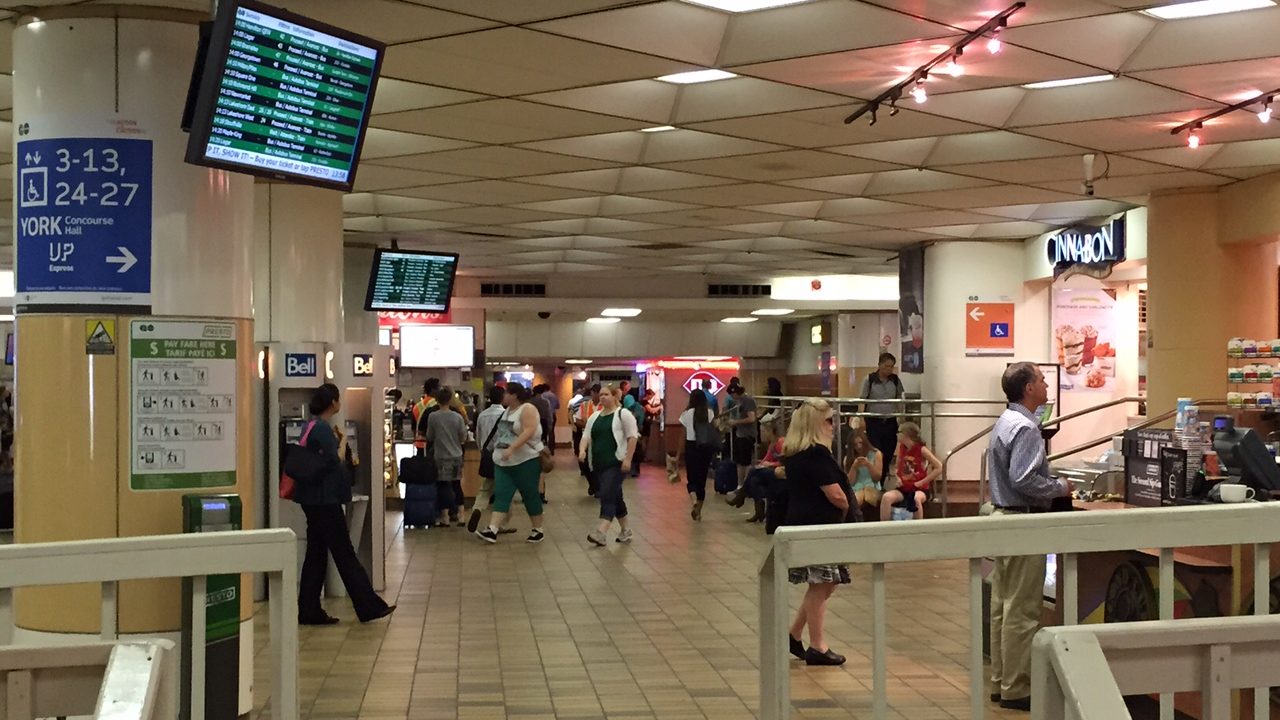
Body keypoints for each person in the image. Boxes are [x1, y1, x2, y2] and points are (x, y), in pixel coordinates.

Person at [987, 363, 1070, 712]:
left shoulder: (1005, 421)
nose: (1046, 383)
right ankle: (1017, 687)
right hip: (1022, 520)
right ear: (1028, 389)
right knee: (1023, 610)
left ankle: (1001, 679)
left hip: (1001, 516)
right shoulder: (1026, 428)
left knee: (1003, 606)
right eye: (1041, 379)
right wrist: (1059, 487)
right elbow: (1023, 478)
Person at [294, 384, 394, 625]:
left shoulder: (309, 425)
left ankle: (309, 609)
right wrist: (341, 442)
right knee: (344, 553)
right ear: (333, 403)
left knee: (316, 553)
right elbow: (335, 459)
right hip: (325, 500)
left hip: (311, 499)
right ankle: (368, 605)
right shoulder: (323, 429)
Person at [782, 398, 856, 666]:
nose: (834, 425)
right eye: (828, 420)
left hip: (804, 523)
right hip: (819, 526)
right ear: (815, 423)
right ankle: (818, 646)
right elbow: (835, 493)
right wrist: (847, 505)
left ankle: (794, 633)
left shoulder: (795, 454)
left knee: (826, 581)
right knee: (822, 583)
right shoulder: (816, 454)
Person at [476, 383, 546, 544]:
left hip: (526, 461)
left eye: (506, 393)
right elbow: (504, 434)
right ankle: (492, 529)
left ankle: (538, 529)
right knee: (501, 494)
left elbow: (529, 431)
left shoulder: (527, 408)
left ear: (514, 395)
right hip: (504, 462)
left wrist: (512, 448)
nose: (504, 396)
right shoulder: (506, 411)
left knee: (529, 495)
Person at [579, 385, 640, 546]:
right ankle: (626, 530)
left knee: (606, 494)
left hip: (616, 463)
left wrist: (628, 459)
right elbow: (586, 435)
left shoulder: (623, 414)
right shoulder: (595, 416)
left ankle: (602, 531)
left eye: (606, 394)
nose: (603, 397)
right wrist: (582, 450)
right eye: (601, 395)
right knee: (615, 495)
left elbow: (632, 437)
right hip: (599, 463)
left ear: (615, 396)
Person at [468, 385, 514, 534]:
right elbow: (506, 439)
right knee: (505, 490)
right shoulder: (506, 415)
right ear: (502, 398)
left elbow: (479, 436)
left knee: (485, 489)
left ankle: (477, 509)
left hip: (487, 456)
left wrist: (483, 451)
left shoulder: (482, 415)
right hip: (502, 457)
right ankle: (500, 524)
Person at [879, 422, 940, 521]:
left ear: (906, 434)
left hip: (919, 488)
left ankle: (917, 530)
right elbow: (897, 466)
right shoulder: (902, 448)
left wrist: (922, 482)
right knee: (886, 497)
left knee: (915, 499)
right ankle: (885, 529)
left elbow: (939, 467)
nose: (896, 434)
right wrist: (897, 477)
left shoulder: (922, 449)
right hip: (904, 487)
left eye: (899, 432)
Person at [425, 387, 468, 527]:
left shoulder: (433, 417)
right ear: (450, 399)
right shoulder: (458, 417)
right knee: (456, 485)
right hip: (456, 455)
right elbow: (463, 436)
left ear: (436, 400)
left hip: (441, 456)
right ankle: (462, 516)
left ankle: (445, 517)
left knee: (443, 486)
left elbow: (429, 436)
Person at [730, 417, 783, 523]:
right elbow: (765, 459)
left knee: (753, 472)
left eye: (764, 431)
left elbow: (784, 462)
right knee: (754, 480)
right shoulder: (771, 445)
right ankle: (759, 511)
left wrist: (770, 464)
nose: (762, 434)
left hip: (779, 472)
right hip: (771, 471)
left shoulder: (781, 442)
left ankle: (741, 495)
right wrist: (763, 464)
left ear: (771, 431)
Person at [860, 352, 905, 477]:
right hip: (874, 421)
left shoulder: (895, 380)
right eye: (886, 366)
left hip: (890, 421)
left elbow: (900, 399)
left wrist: (901, 417)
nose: (889, 369)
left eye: (891, 366)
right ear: (879, 365)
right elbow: (862, 399)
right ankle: (875, 481)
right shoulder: (869, 380)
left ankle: (883, 477)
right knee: (876, 451)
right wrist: (861, 418)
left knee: (889, 451)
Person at [676, 389, 716, 521]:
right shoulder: (709, 413)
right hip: (705, 448)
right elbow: (713, 430)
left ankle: (694, 501)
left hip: (691, 447)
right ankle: (698, 510)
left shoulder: (686, 414)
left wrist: (677, 455)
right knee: (702, 479)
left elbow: (682, 436)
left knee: (691, 478)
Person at [724, 384, 759, 492]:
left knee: (746, 462)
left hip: (747, 435)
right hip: (740, 434)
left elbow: (751, 418)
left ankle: (746, 486)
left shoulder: (747, 401)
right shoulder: (740, 401)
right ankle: (740, 485)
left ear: (735, 393)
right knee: (739, 461)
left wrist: (735, 422)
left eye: (732, 394)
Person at [573, 384, 603, 495]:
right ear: (592, 393)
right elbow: (577, 420)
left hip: (600, 439)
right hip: (586, 437)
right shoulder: (584, 405)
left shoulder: (605, 406)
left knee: (597, 463)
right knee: (584, 464)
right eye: (597, 394)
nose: (599, 397)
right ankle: (592, 483)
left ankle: (597, 486)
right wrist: (585, 424)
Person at [846, 430, 883, 518]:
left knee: (858, 498)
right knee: (855, 497)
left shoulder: (876, 454)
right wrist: (854, 467)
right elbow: (850, 482)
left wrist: (868, 465)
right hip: (857, 487)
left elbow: (877, 478)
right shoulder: (849, 458)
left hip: (872, 486)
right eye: (855, 444)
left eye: (860, 443)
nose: (858, 446)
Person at [618, 380, 645, 476]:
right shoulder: (629, 398)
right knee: (634, 447)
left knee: (633, 447)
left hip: (632, 427)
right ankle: (634, 469)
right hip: (635, 427)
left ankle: (632, 468)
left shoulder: (627, 398)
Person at [541, 384, 560, 453]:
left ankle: (544, 449)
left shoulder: (542, 395)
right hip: (553, 415)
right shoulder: (554, 395)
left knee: (544, 432)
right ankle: (552, 449)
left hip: (545, 416)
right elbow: (558, 406)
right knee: (551, 432)